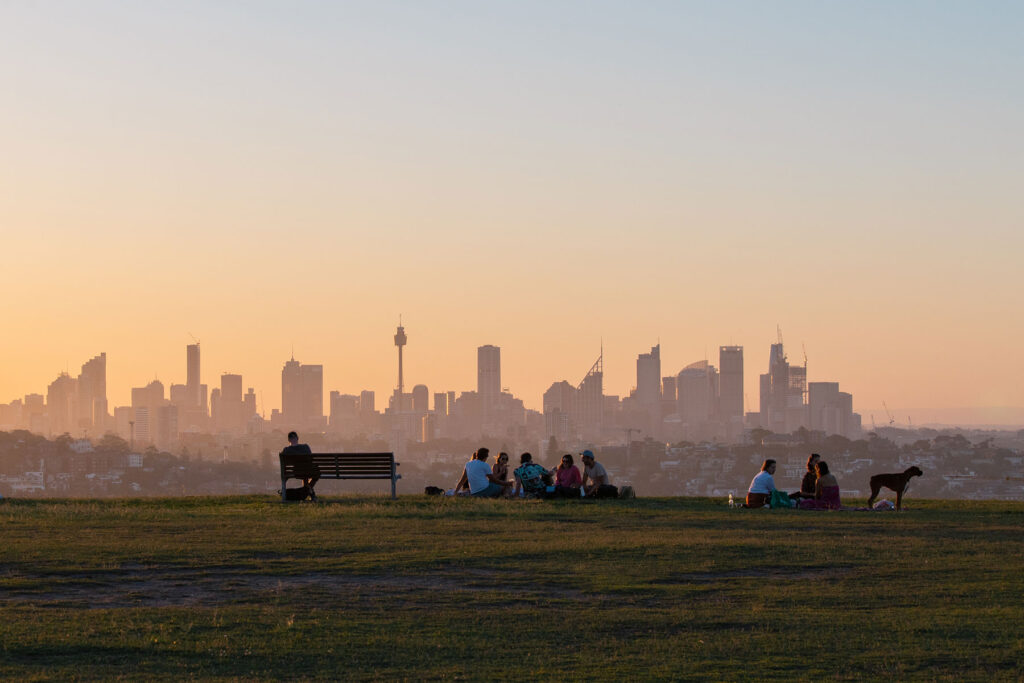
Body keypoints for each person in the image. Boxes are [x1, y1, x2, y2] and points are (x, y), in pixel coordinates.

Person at [280, 431, 319, 502]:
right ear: (297, 438)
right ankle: (308, 492)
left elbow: (283, 457)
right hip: (308, 470)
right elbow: (311, 459)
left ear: (289, 440)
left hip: (296, 472)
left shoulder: (287, 450)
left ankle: (306, 492)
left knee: (305, 474)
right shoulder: (305, 447)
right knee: (315, 473)